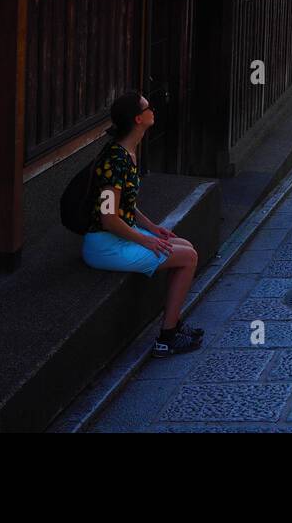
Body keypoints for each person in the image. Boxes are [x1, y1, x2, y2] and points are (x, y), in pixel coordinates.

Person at [82, 92, 203, 358]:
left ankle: (175, 321)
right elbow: (109, 217)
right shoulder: (114, 160)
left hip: (119, 236)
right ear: (138, 119)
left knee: (183, 245)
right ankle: (166, 338)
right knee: (189, 257)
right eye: (149, 107)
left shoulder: (127, 152)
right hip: (105, 244)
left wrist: (151, 227)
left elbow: (126, 204)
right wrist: (146, 240)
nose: (153, 110)